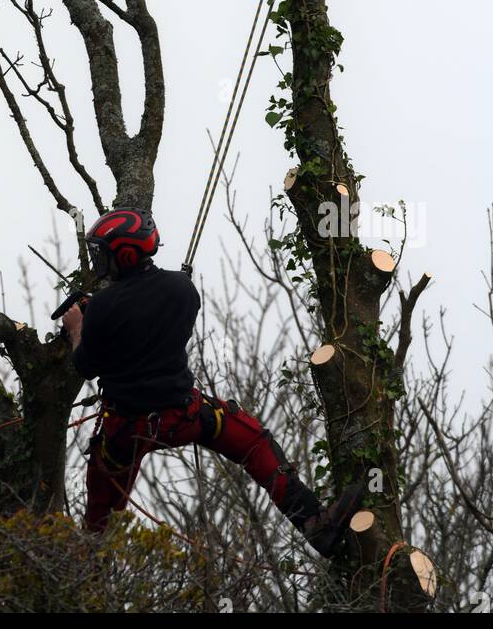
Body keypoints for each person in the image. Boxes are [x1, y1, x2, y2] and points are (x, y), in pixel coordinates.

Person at [63, 208, 365, 556]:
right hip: (185, 417)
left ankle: (88, 567)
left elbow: (85, 365)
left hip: (125, 431)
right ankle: (313, 522)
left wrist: (77, 329)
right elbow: (149, 319)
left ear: (125, 253)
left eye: (103, 252)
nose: (100, 260)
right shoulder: (183, 291)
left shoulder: (101, 307)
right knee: (255, 444)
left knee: (101, 513)